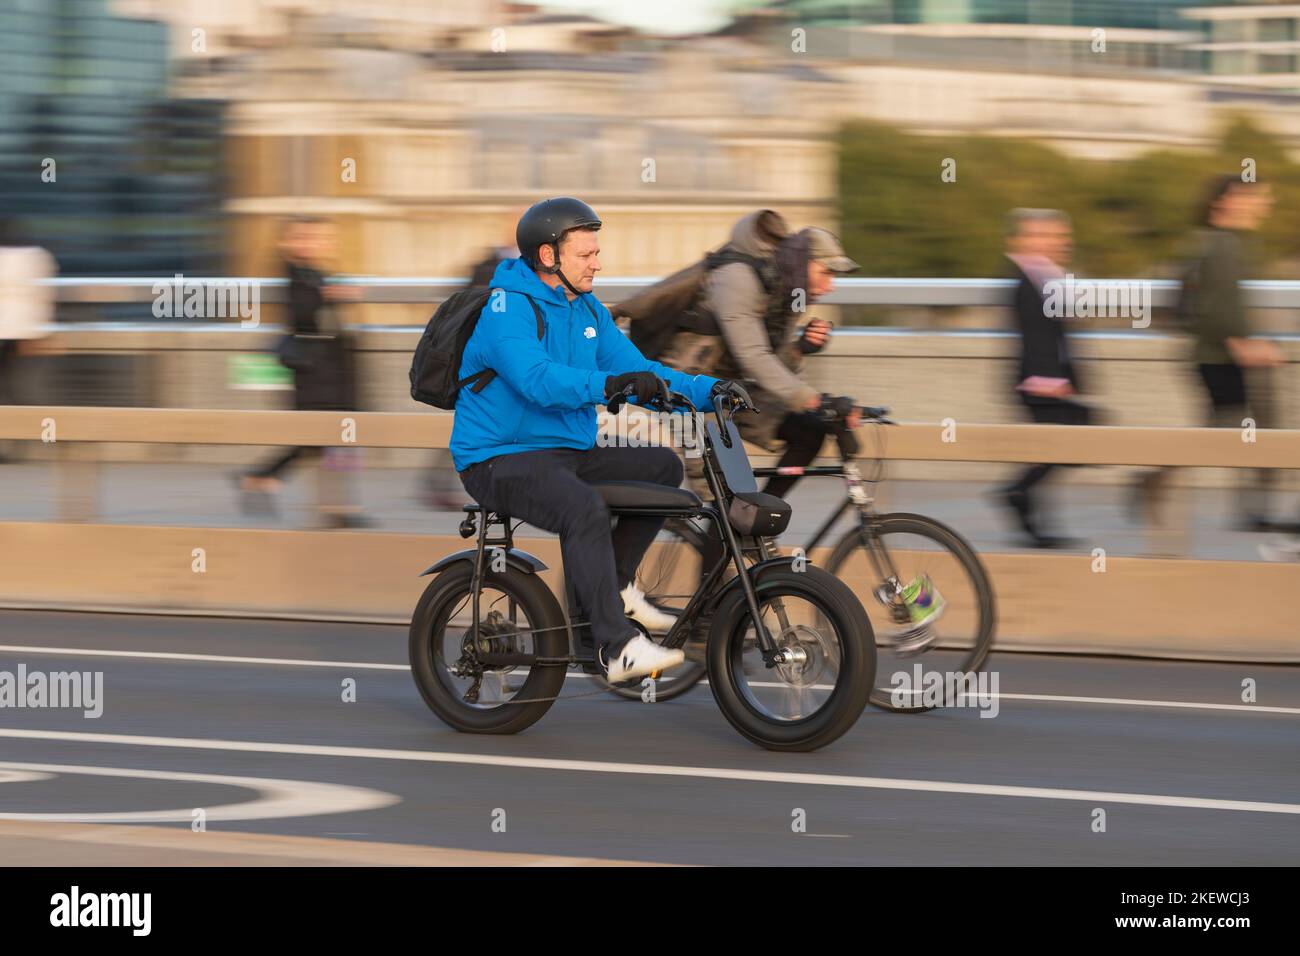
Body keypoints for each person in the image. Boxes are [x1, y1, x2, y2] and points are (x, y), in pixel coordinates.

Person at [451, 197, 736, 684]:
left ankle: (616, 588)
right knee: (584, 509)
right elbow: (536, 379)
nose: (597, 263)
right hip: (498, 458)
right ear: (548, 257)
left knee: (662, 468)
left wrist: (710, 391)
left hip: (566, 451)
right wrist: (608, 387)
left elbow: (641, 370)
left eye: (596, 252)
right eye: (585, 255)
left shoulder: (586, 310)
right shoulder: (507, 308)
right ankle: (617, 645)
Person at [1136, 175, 1284, 534]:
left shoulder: (1209, 242)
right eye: (1254, 198)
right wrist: (1240, 342)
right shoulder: (1223, 245)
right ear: (1227, 201)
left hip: (1210, 354)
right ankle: (1154, 479)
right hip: (1220, 356)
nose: (1262, 205)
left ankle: (1247, 509)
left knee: (1233, 432)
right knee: (1229, 434)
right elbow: (1216, 303)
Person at [238, 217, 368, 527]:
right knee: (320, 437)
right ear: (288, 243)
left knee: (329, 438)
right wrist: (331, 295)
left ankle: (266, 480)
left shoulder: (313, 273)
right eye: (306, 238)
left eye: (319, 238)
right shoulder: (292, 274)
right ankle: (327, 505)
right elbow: (302, 313)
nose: (316, 243)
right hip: (314, 371)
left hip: (328, 369)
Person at [998, 208, 1090, 548]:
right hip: (1038, 383)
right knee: (1060, 447)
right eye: (1045, 235)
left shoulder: (1047, 276)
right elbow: (1035, 338)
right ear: (1021, 240)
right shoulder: (1027, 281)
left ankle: (1023, 500)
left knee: (1057, 448)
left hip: (1048, 381)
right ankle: (1019, 497)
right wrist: (1052, 381)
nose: (1057, 242)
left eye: (1060, 235)